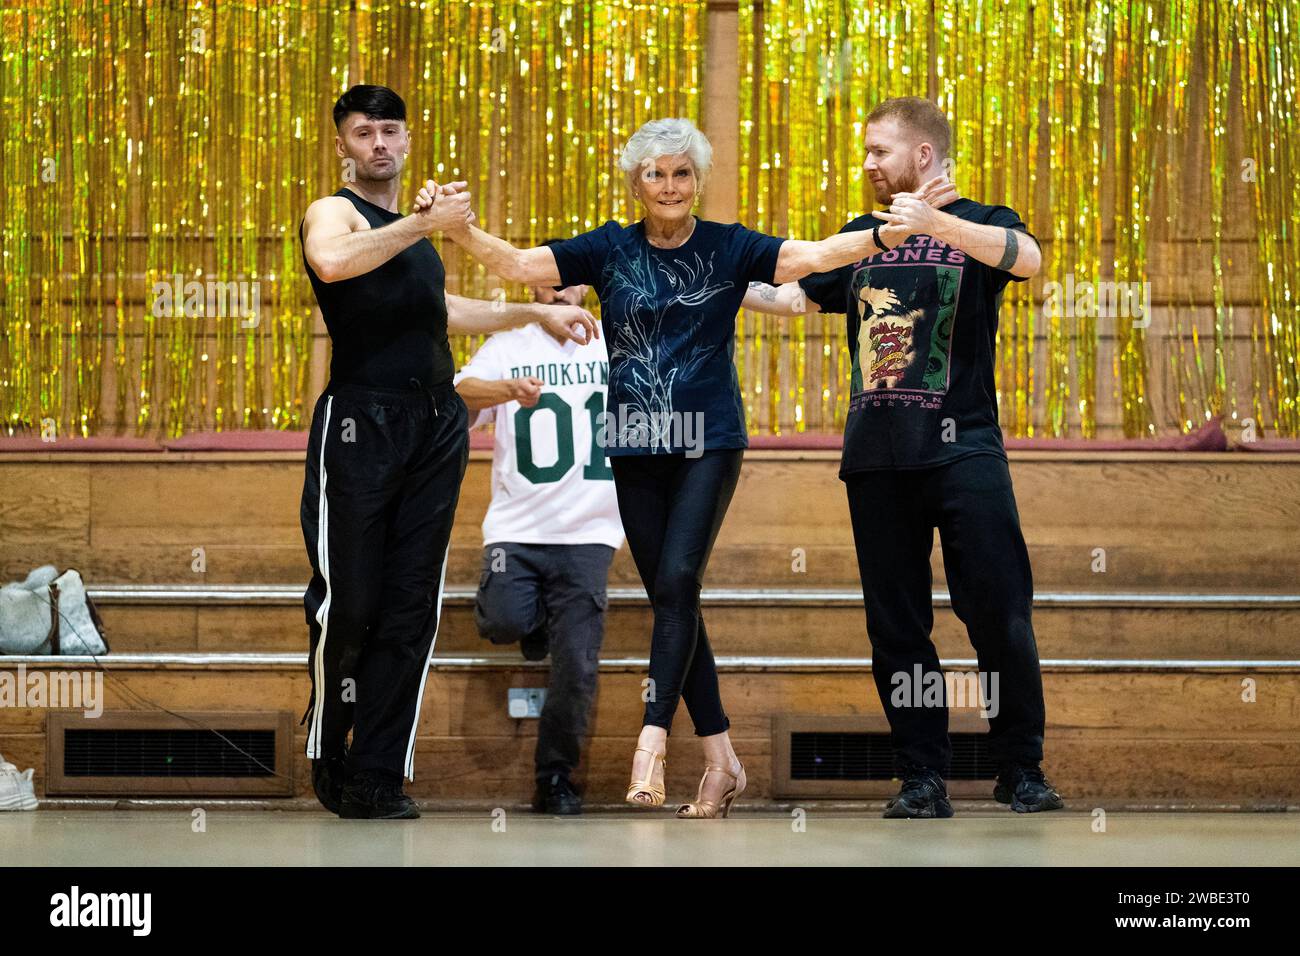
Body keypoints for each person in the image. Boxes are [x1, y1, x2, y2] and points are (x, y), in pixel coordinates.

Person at [417, 117, 955, 818]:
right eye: (655, 174)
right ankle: (723, 760)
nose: (669, 186)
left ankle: (652, 741)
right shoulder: (609, 248)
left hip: (708, 442)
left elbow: (813, 254)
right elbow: (521, 267)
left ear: (697, 180)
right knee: (677, 600)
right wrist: (453, 230)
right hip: (635, 444)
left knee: (675, 580)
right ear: (636, 183)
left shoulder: (728, 245)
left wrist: (886, 235)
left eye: (682, 173)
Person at [741, 96, 1064, 817]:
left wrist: (936, 223)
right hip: (878, 459)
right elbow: (790, 294)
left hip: (965, 452)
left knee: (1000, 616)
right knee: (897, 627)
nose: (867, 165)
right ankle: (922, 777)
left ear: (922, 155)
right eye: (865, 152)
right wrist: (709, 276)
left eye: (878, 152)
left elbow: (1030, 260)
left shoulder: (982, 221)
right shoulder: (865, 235)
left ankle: (1021, 768)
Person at [297, 85, 598, 820]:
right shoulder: (336, 213)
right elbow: (332, 264)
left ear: (406, 140)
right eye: (363, 133)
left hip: (435, 422)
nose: (377, 143)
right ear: (343, 146)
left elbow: (439, 312)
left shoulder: (411, 233)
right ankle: (332, 754)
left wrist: (533, 310)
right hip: (362, 423)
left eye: (389, 131)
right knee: (353, 601)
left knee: (411, 610)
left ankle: (379, 771)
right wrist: (424, 224)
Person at [453, 255, 623, 815]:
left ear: (586, 283)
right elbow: (461, 393)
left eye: (571, 275)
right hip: (516, 530)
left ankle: (555, 779)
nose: (560, 287)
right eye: (547, 277)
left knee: (576, 667)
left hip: (589, 533)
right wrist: (504, 390)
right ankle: (532, 622)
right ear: (531, 284)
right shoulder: (511, 342)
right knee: (503, 621)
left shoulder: (612, 342)